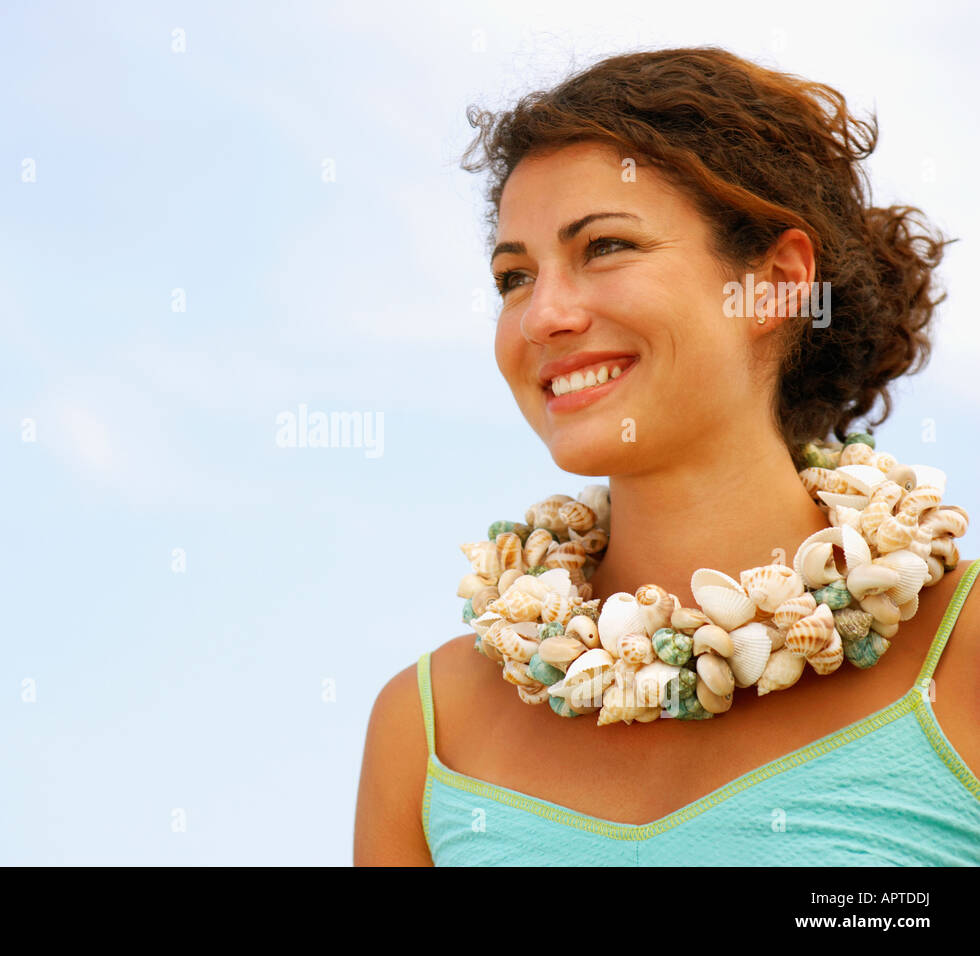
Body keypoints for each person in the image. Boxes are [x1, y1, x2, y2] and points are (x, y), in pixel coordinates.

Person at [354, 47, 980, 866]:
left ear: (777, 283)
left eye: (605, 247)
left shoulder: (961, 651)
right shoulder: (427, 729)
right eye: (513, 276)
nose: (543, 315)